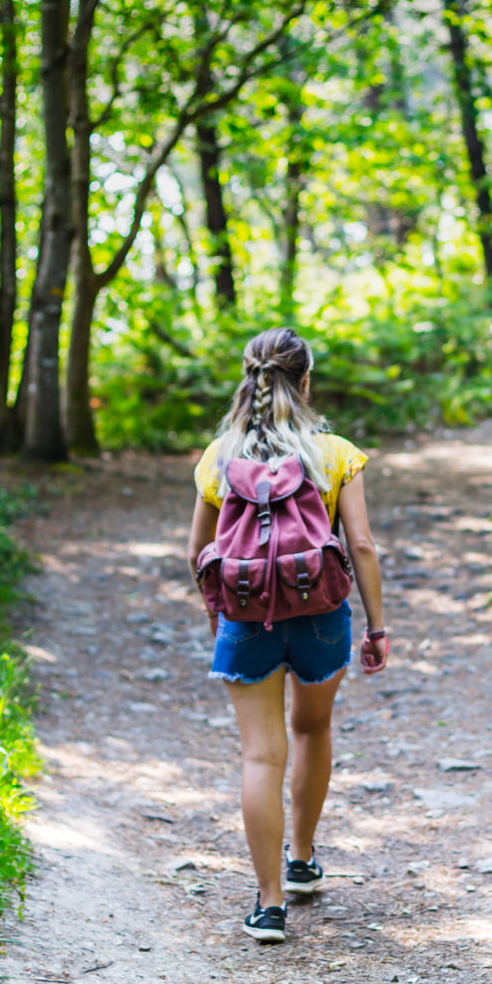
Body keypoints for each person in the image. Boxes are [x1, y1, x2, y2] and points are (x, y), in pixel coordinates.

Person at [187, 327, 390, 944]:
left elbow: (199, 549)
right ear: (305, 382)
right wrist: (377, 625)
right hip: (322, 615)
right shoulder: (334, 453)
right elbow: (359, 544)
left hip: (247, 617)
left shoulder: (220, 457)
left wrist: (216, 613)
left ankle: (269, 903)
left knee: (259, 755)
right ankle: (301, 859)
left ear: (248, 377)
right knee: (312, 728)